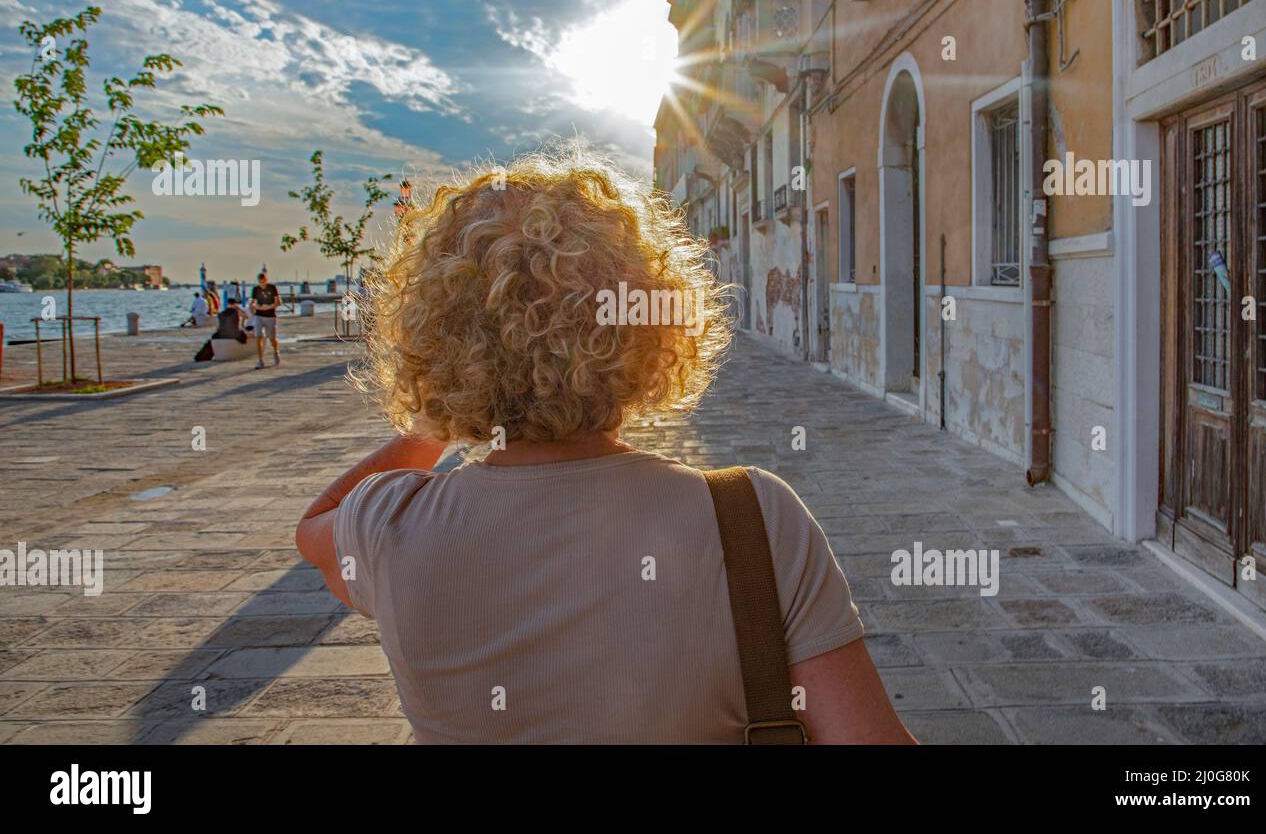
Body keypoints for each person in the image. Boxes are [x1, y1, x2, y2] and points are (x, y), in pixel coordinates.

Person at [295, 148, 914, 745]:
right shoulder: (754, 520)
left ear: (438, 336)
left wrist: (438, 413)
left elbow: (313, 529)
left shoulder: (389, 525)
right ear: (649, 323)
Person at [249, 272, 282, 368]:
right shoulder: (255, 289)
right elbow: (253, 303)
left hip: (270, 316)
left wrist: (268, 307)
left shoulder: (272, 288)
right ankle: (260, 360)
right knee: (258, 337)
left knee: (272, 338)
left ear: (266, 280)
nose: (262, 284)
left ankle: (276, 351)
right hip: (259, 316)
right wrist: (254, 307)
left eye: (263, 281)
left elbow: (278, 302)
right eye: (260, 282)